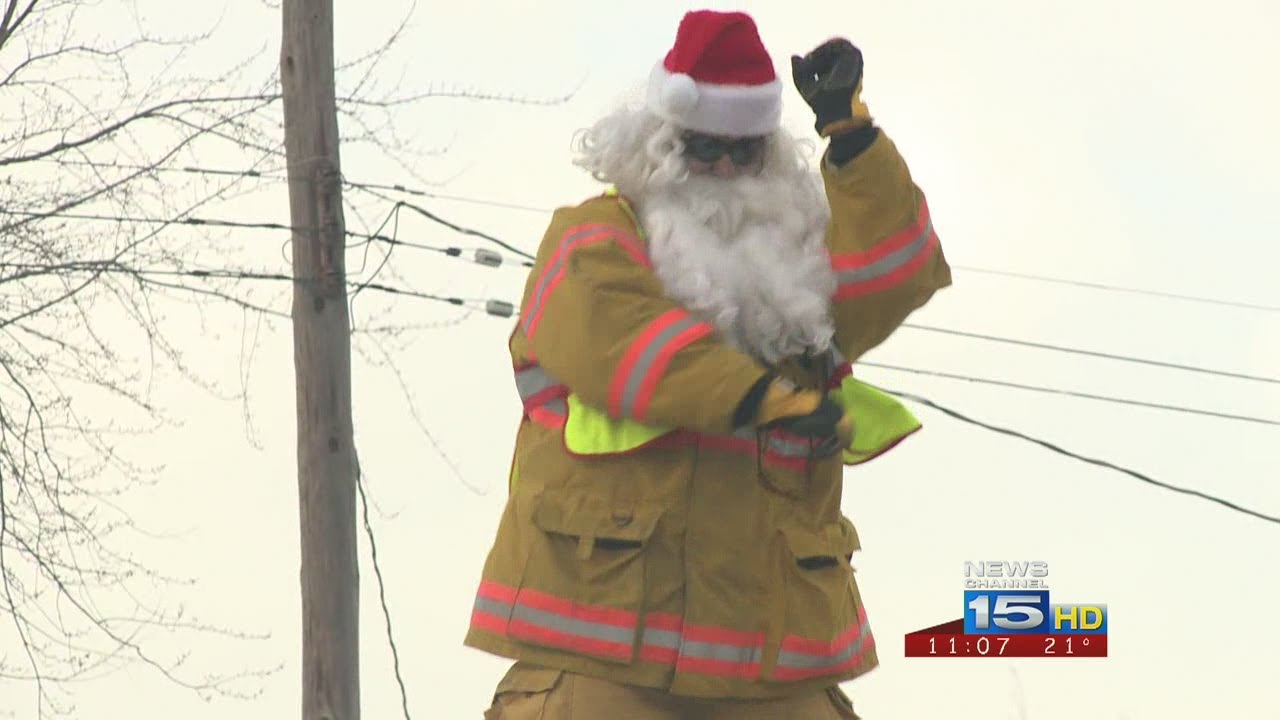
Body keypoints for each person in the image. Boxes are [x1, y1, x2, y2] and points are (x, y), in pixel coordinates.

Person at [465, 9, 951, 719]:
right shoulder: (591, 240)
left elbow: (894, 271)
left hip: (773, 665)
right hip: (604, 654)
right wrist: (768, 401)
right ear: (658, 145)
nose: (724, 170)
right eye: (702, 149)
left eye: (743, 152)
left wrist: (852, 141)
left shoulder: (788, 278)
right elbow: (626, 346)